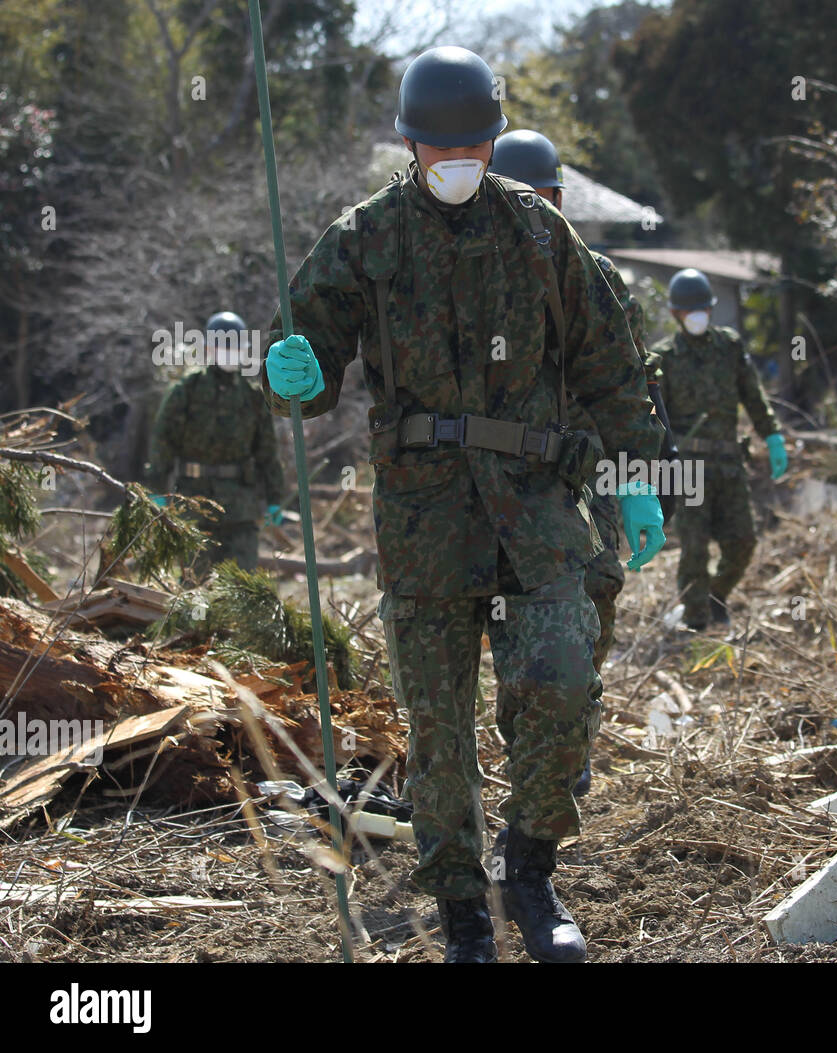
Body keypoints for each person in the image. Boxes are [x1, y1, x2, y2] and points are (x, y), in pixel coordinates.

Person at [260, 46, 665, 962]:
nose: (456, 163)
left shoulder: (540, 233)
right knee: (437, 730)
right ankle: (462, 910)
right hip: (424, 519)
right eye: (438, 148)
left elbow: (609, 360)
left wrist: (636, 475)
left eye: (473, 146)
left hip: (536, 508)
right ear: (407, 142)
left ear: (491, 141)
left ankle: (530, 869)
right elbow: (307, 360)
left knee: (561, 682)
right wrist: (292, 371)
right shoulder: (364, 237)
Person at [488, 129, 679, 798]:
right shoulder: (474, 279)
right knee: (520, 620)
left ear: (559, 198)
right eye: (516, 198)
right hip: (504, 481)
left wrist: (642, 477)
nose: (530, 211)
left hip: (590, 472)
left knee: (597, 594)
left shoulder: (598, 274)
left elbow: (628, 380)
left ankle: (570, 741)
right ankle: (534, 749)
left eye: (541, 197)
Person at [649, 268, 786, 631]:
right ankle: (695, 622)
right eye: (687, 309)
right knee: (694, 549)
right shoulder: (663, 358)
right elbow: (652, 417)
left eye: (702, 309)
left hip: (729, 465)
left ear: (710, 310)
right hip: (688, 470)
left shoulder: (730, 347)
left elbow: (753, 397)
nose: (696, 315)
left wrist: (771, 435)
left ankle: (715, 597)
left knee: (743, 541)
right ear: (676, 314)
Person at [144, 311, 284, 579]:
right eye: (224, 346)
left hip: (241, 508)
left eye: (237, 346)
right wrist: (156, 490)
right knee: (195, 583)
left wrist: (275, 499)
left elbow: (267, 453)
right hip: (193, 502)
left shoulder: (253, 397)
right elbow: (163, 441)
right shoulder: (186, 390)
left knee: (241, 586)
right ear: (209, 348)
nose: (231, 352)